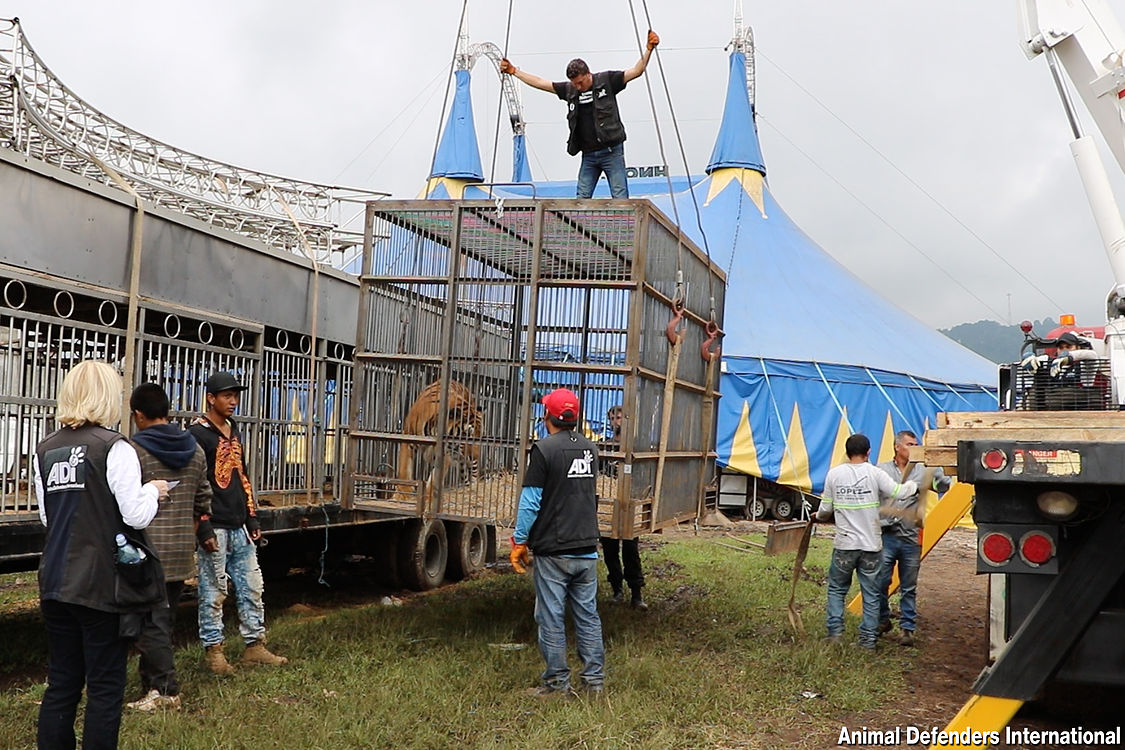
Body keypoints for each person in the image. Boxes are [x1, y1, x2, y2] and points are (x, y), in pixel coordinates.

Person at [33, 360, 169, 749]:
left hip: (56, 581)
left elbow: (49, 517)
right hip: (101, 586)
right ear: (109, 397)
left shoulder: (46, 449)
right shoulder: (114, 447)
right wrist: (154, 491)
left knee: (62, 682)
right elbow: (135, 513)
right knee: (105, 688)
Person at [124, 383, 217, 712]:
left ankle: (166, 691)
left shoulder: (134, 451)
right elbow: (203, 499)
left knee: (148, 625)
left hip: (145, 554)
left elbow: (126, 502)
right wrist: (189, 531)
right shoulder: (194, 449)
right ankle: (150, 687)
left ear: (138, 414)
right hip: (180, 551)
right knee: (162, 621)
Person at [189, 371, 287, 674]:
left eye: (235, 395)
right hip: (214, 523)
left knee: (251, 586)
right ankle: (214, 650)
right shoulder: (197, 434)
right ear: (211, 398)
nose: (233, 401)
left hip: (238, 523)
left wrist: (251, 514)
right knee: (213, 590)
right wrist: (202, 525)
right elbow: (195, 483)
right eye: (227, 396)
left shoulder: (233, 430)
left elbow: (241, 475)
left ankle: (254, 645)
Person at [510, 388, 605, 696]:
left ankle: (556, 686)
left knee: (550, 617)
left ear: (546, 415)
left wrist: (519, 541)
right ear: (574, 416)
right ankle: (594, 683)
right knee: (587, 616)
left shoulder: (543, 450)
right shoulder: (591, 449)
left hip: (554, 550)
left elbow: (530, 502)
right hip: (586, 548)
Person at [500, 30, 660, 199]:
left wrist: (649, 49)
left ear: (588, 74)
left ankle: (626, 225)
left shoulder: (607, 81)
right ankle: (579, 226)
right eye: (574, 83)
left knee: (620, 195)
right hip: (589, 155)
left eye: (580, 82)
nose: (578, 86)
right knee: (581, 197)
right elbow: (541, 83)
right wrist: (514, 71)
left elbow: (636, 71)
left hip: (611, 151)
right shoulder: (570, 90)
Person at [816, 433, 917, 649]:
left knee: (836, 590)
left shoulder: (834, 475)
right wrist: (915, 486)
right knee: (871, 593)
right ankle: (868, 641)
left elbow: (825, 510)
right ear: (869, 452)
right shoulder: (875, 473)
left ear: (846, 451)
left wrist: (819, 516)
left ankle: (835, 634)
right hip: (871, 546)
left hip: (844, 546)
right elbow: (898, 492)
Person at [875, 430, 950, 647]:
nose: (914, 448)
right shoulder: (881, 470)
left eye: (916, 444)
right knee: (881, 581)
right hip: (887, 534)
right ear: (897, 447)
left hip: (911, 536)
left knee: (909, 585)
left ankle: (907, 629)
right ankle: (882, 619)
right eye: (910, 444)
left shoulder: (924, 470)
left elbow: (945, 485)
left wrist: (939, 465)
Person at [598, 405, 646, 610]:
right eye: (613, 418)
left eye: (619, 417)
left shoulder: (635, 447)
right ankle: (617, 589)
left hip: (628, 506)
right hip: (608, 506)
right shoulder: (604, 447)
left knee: (630, 550)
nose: (616, 421)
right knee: (609, 550)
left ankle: (637, 593)